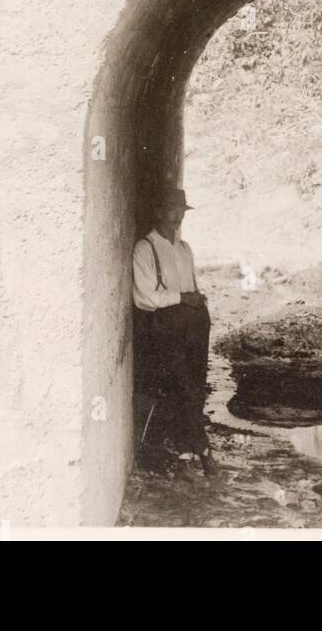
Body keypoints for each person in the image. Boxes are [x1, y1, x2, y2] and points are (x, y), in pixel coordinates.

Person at [132, 186, 214, 473]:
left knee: (196, 383)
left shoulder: (185, 249)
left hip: (192, 325)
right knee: (182, 384)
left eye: (181, 210)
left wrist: (196, 302)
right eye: (171, 208)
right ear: (158, 212)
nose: (177, 215)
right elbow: (145, 297)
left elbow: (191, 288)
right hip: (163, 328)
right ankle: (202, 447)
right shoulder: (145, 248)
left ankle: (186, 449)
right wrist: (182, 299)